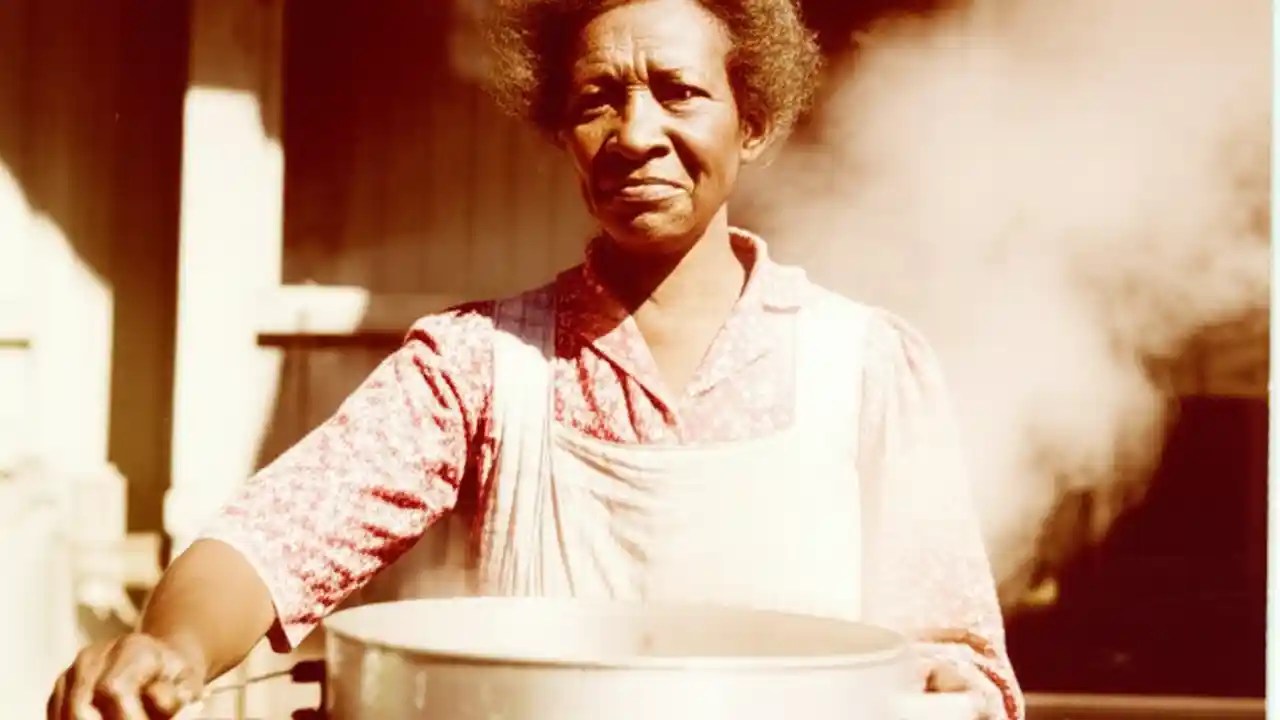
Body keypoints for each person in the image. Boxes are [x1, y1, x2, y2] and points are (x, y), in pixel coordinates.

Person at [47, 0, 1024, 717]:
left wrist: (949, 688)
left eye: (679, 91)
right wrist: (169, 646)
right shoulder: (477, 364)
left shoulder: (865, 364)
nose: (635, 135)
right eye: (598, 99)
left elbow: (956, 661)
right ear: (562, 133)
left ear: (753, 121)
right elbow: (276, 539)